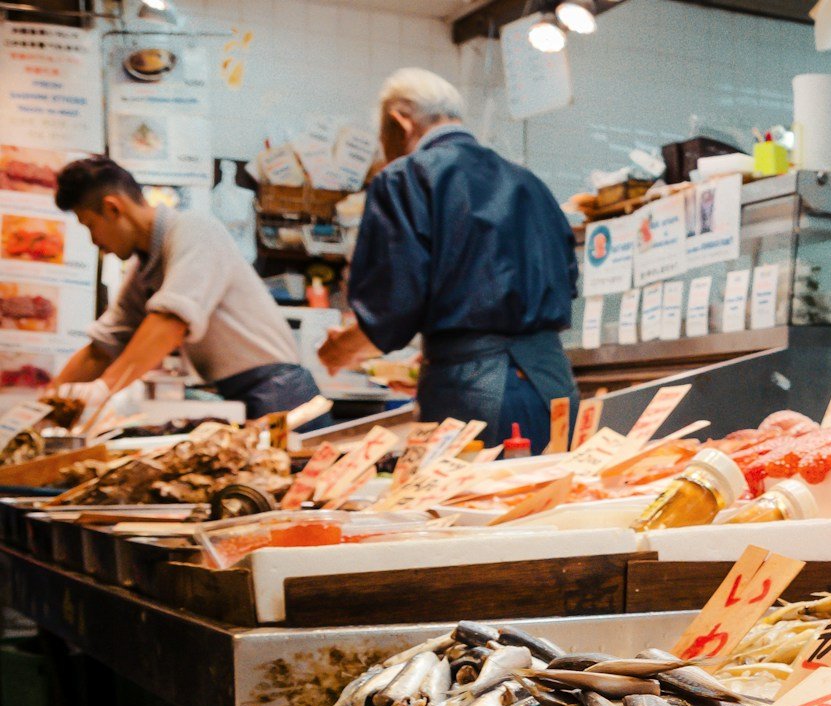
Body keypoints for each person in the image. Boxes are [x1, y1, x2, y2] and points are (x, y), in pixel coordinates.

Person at [320, 69, 578, 448]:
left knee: (469, 504)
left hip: (475, 392)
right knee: (547, 501)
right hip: (554, 385)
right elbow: (566, 284)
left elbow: (392, 308)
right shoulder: (529, 182)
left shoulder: (405, 178)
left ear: (400, 120)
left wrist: (339, 350)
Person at [48, 156, 327, 423]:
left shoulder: (194, 231)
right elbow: (102, 348)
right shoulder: (146, 266)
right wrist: (46, 403)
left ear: (113, 208)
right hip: (233, 395)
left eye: (90, 226)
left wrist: (102, 388)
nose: (94, 241)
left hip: (279, 393)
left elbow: (171, 322)